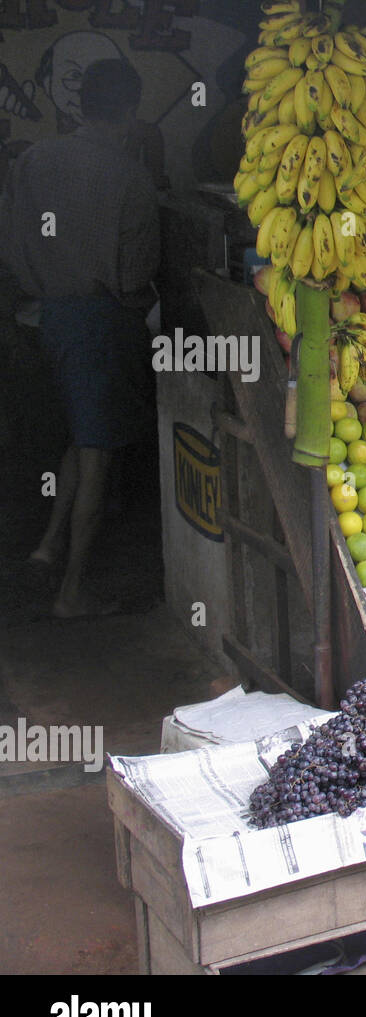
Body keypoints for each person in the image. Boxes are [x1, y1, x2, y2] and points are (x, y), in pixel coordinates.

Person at [0, 57, 160, 617]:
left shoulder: (34, 159)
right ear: (131, 109)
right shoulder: (128, 176)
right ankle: (72, 593)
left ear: (80, 104)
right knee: (98, 453)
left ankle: (47, 547)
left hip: (47, 317)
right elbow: (135, 274)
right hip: (98, 320)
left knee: (79, 435)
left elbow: (14, 241)